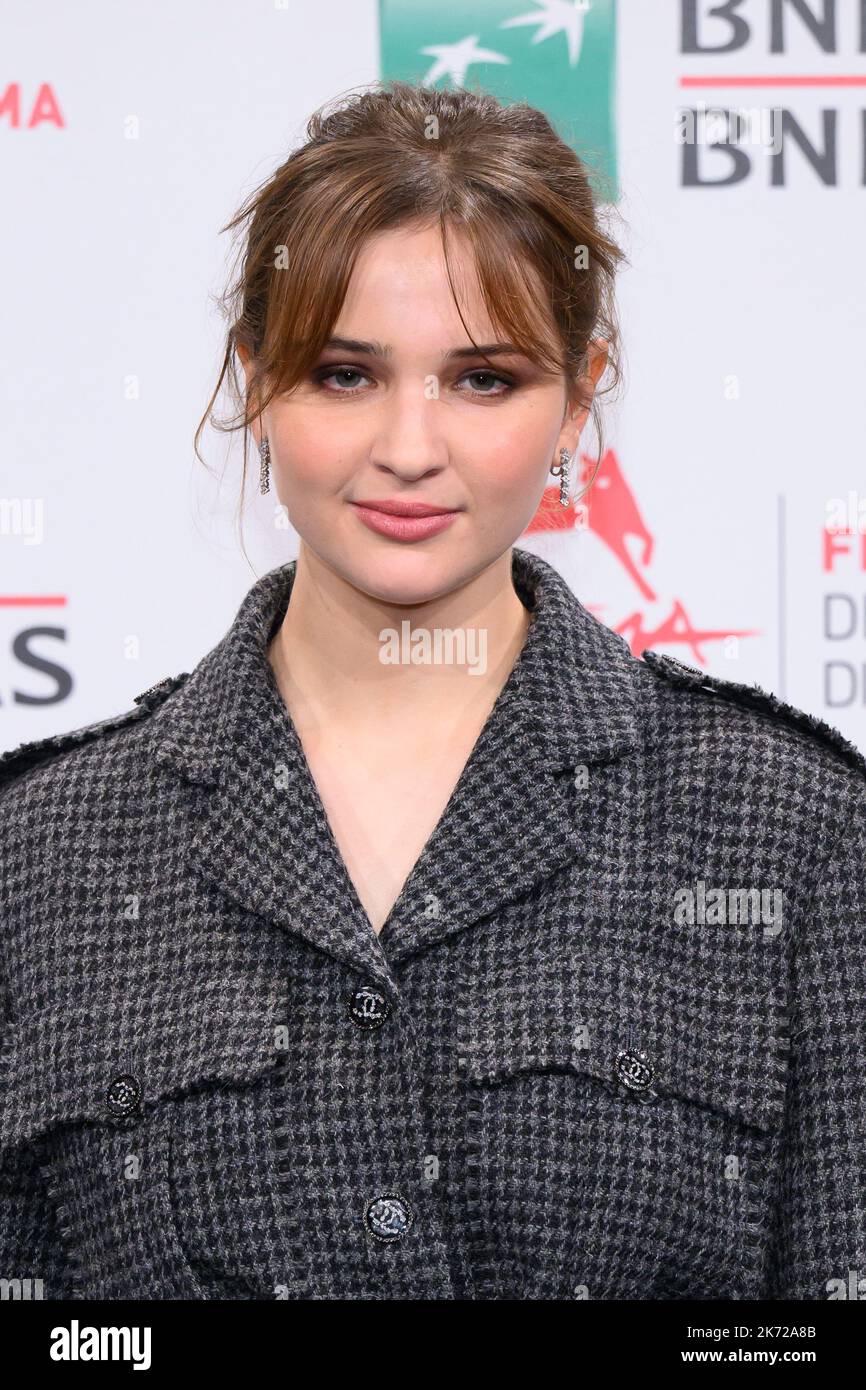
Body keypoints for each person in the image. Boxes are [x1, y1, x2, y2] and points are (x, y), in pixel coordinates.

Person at [1, 81, 864, 1302]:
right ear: (255, 378)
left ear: (578, 390)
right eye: (345, 375)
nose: (409, 448)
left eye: (483, 379)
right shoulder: (41, 850)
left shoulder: (791, 830)